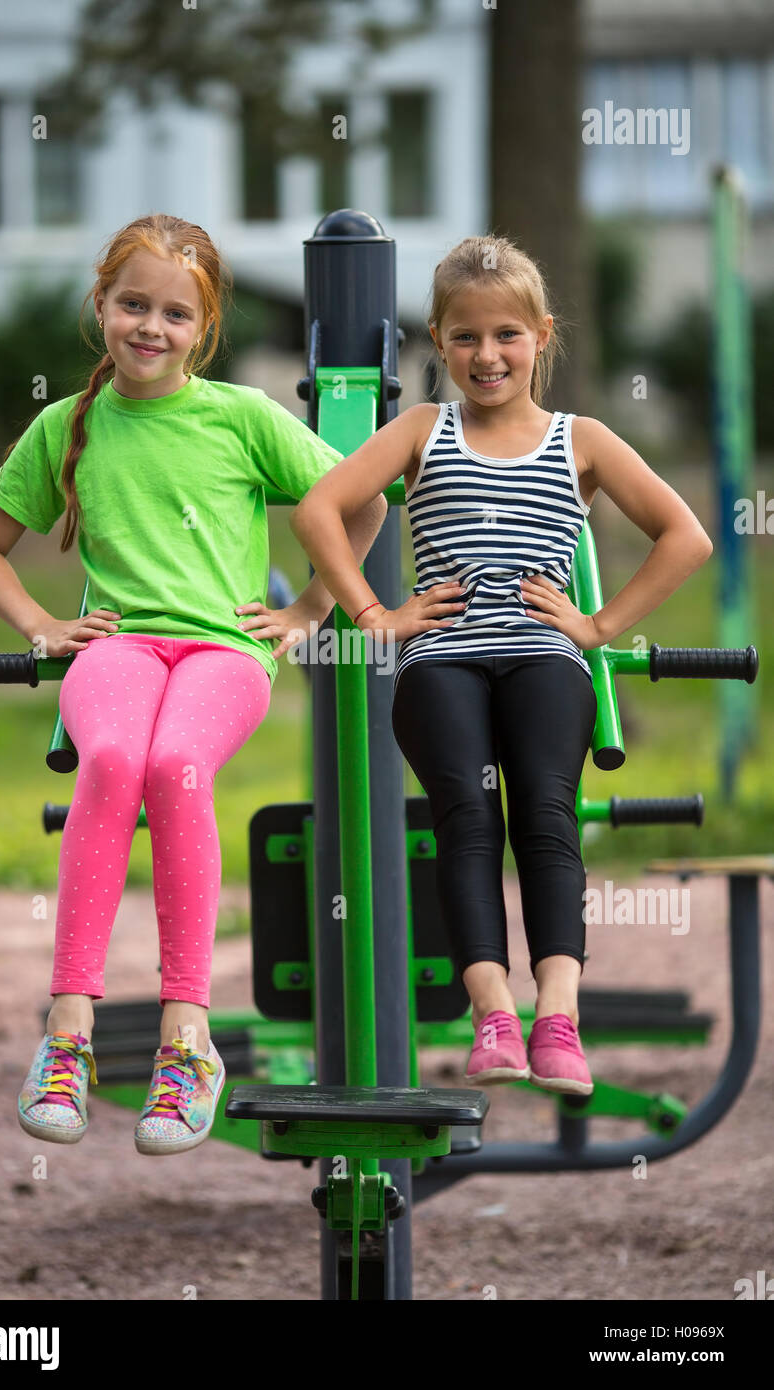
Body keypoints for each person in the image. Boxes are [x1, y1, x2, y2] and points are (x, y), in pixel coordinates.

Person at [0, 213, 387, 1153]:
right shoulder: (65, 426)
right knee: (112, 759)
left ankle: (184, 1042)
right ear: (101, 307)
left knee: (178, 767)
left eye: (175, 315)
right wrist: (40, 624)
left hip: (225, 651)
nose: (151, 327)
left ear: (206, 328)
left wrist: (312, 610)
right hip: (117, 646)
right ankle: (67, 1036)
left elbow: (362, 501)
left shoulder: (240, 417)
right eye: (132, 305)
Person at [285, 233, 713, 1095]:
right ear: (438, 342)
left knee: (547, 820)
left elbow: (687, 536)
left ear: (541, 336)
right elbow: (321, 509)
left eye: (507, 335)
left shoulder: (579, 439)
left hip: (544, 660)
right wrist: (375, 614)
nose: (488, 355)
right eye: (467, 337)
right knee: (468, 824)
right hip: (440, 660)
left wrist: (599, 626)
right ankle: (493, 1014)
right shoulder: (420, 429)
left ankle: (559, 1016)